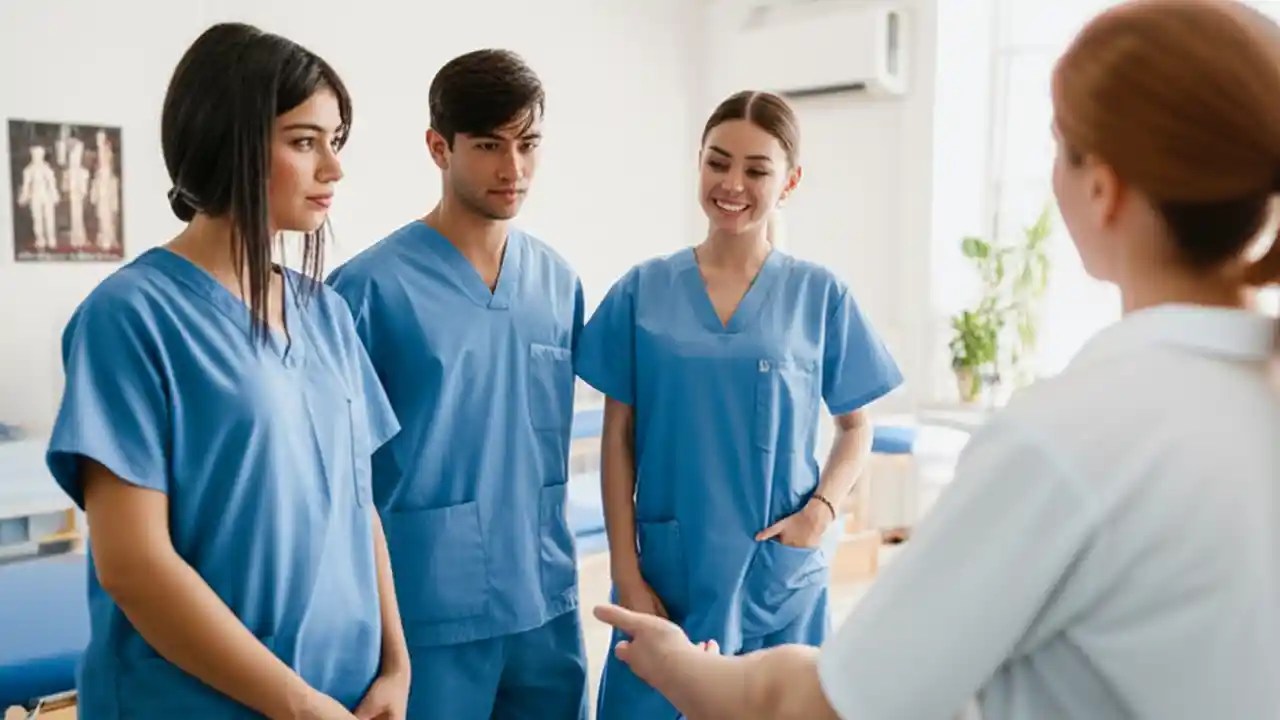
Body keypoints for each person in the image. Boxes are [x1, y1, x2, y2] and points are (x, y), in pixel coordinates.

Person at [592, 1, 1280, 718]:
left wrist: (685, 668)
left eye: (1056, 145)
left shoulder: (1062, 443)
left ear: (1102, 191)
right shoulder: (1249, 405)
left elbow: (839, 700)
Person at [45, 23, 410, 719]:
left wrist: (395, 664)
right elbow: (133, 566)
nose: (333, 168)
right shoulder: (131, 316)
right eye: (305, 142)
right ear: (229, 140)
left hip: (344, 698)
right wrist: (297, 704)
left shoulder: (325, 312)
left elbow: (356, 502)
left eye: (336, 142)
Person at [575, 90, 903, 720]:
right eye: (717, 162)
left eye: (756, 170)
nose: (732, 183)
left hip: (774, 570)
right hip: (669, 572)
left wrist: (820, 514)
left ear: (790, 181)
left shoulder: (819, 294)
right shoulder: (644, 290)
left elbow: (856, 425)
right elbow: (618, 437)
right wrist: (627, 570)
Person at [325, 49, 588, 720]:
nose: (514, 168)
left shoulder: (558, 283)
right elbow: (333, 482)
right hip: (424, 614)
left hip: (545, 598)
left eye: (528, 144)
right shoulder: (366, 291)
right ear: (439, 147)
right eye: (489, 145)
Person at [17, 144, 60, 251]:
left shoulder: (47, 168)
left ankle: (51, 239)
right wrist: (24, 196)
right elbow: (26, 185)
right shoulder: (28, 170)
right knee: (37, 219)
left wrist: (55, 195)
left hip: (46, 196)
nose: (37, 157)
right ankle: (40, 239)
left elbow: (51, 183)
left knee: (49, 218)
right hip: (35, 197)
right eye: (36, 154)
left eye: (39, 154)